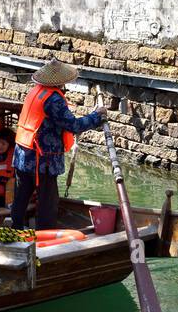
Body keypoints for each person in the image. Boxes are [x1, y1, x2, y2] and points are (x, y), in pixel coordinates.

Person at [10, 58, 106, 230]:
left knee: (21, 197)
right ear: (62, 81)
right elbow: (74, 126)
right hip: (42, 161)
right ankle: (45, 240)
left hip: (23, 154)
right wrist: (96, 116)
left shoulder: (36, 91)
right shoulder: (54, 100)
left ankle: (15, 228)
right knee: (47, 203)